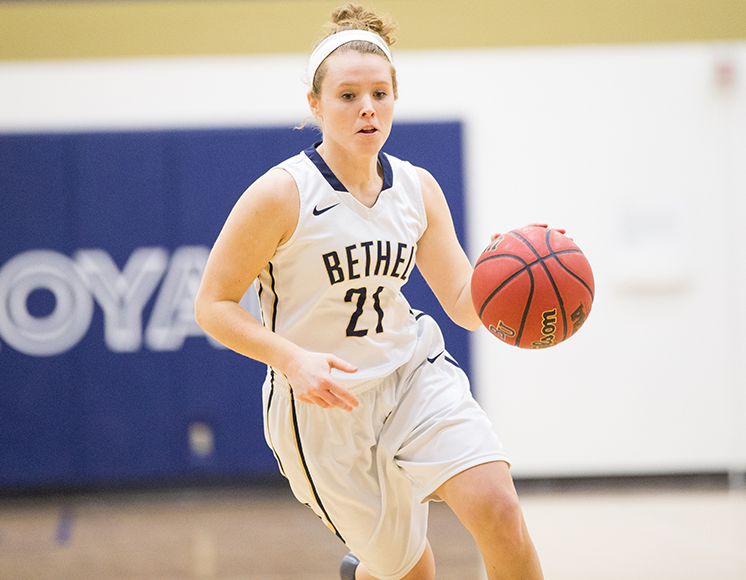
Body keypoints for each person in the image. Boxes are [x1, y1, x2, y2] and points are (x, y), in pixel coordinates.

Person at [195, 4, 544, 579]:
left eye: (380, 94)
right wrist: (293, 360)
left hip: (411, 374)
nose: (367, 108)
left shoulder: (416, 188)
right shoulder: (281, 194)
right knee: (413, 572)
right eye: (348, 95)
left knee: (500, 511)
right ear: (315, 104)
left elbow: (464, 305)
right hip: (326, 407)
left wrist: (508, 281)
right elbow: (212, 305)